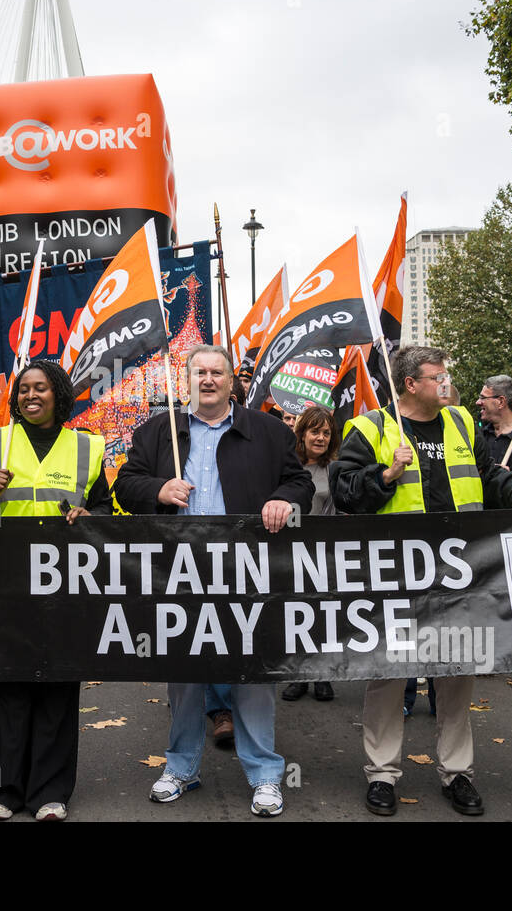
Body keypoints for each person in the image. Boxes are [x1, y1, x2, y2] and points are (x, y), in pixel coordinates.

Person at [331, 345, 512, 819]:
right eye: (437, 377)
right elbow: (344, 493)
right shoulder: (369, 428)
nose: (446, 384)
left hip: (459, 575)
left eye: (445, 376)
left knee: (456, 674)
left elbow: (490, 477)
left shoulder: (463, 424)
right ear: (410, 384)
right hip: (395, 577)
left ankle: (458, 774)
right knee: (389, 676)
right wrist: (384, 475)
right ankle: (383, 775)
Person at [114, 345, 314, 818]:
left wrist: (285, 499)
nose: (208, 379)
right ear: (187, 379)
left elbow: (300, 481)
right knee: (184, 675)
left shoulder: (265, 431)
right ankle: (181, 767)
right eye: (199, 372)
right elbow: (124, 484)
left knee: (251, 671)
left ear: (231, 381)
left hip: (246, 571)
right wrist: (157, 490)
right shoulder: (159, 431)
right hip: (178, 573)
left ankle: (265, 775)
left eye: (216, 372)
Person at [0, 360, 111, 821]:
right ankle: (5, 791)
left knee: (59, 690)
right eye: (23, 389)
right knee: (11, 687)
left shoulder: (88, 448)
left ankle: (50, 791)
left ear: (57, 394)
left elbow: (105, 509)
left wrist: (89, 519)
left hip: (66, 588)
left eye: (40, 388)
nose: (30, 396)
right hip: (6, 587)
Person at [280, 404, 339, 703]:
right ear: (301, 434)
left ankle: (322, 676)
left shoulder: (335, 467)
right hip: (291, 551)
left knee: (323, 614)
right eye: (315, 431)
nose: (321, 438)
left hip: (325, 552)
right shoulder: (287, 467)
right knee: (297, 615)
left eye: (326, 433)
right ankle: (298, 676)